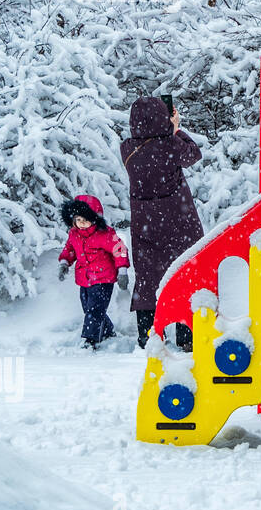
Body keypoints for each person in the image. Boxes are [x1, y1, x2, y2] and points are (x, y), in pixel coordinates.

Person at [121, 96, 204, 349]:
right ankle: (187, 337)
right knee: (182, 277)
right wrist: (176, 129)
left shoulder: (127, 148)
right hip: (179, 221)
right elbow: (194, 154)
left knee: (147, 279)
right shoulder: (171, 145)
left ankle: (149, 336)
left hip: (145, 224)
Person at [57, 195, 130, 349]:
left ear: (95, 219)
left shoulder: (105, 234)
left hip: (103, 279)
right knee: (89, 309)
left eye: (85, 220)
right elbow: (69, 250)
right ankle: (108, 332)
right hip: (84, 279)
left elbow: (120, 250)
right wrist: (65, 263)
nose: (81, 224)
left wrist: (122, 271)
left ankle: (90, 340)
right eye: (78, 220)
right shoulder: (74, 234)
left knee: (95, 310)